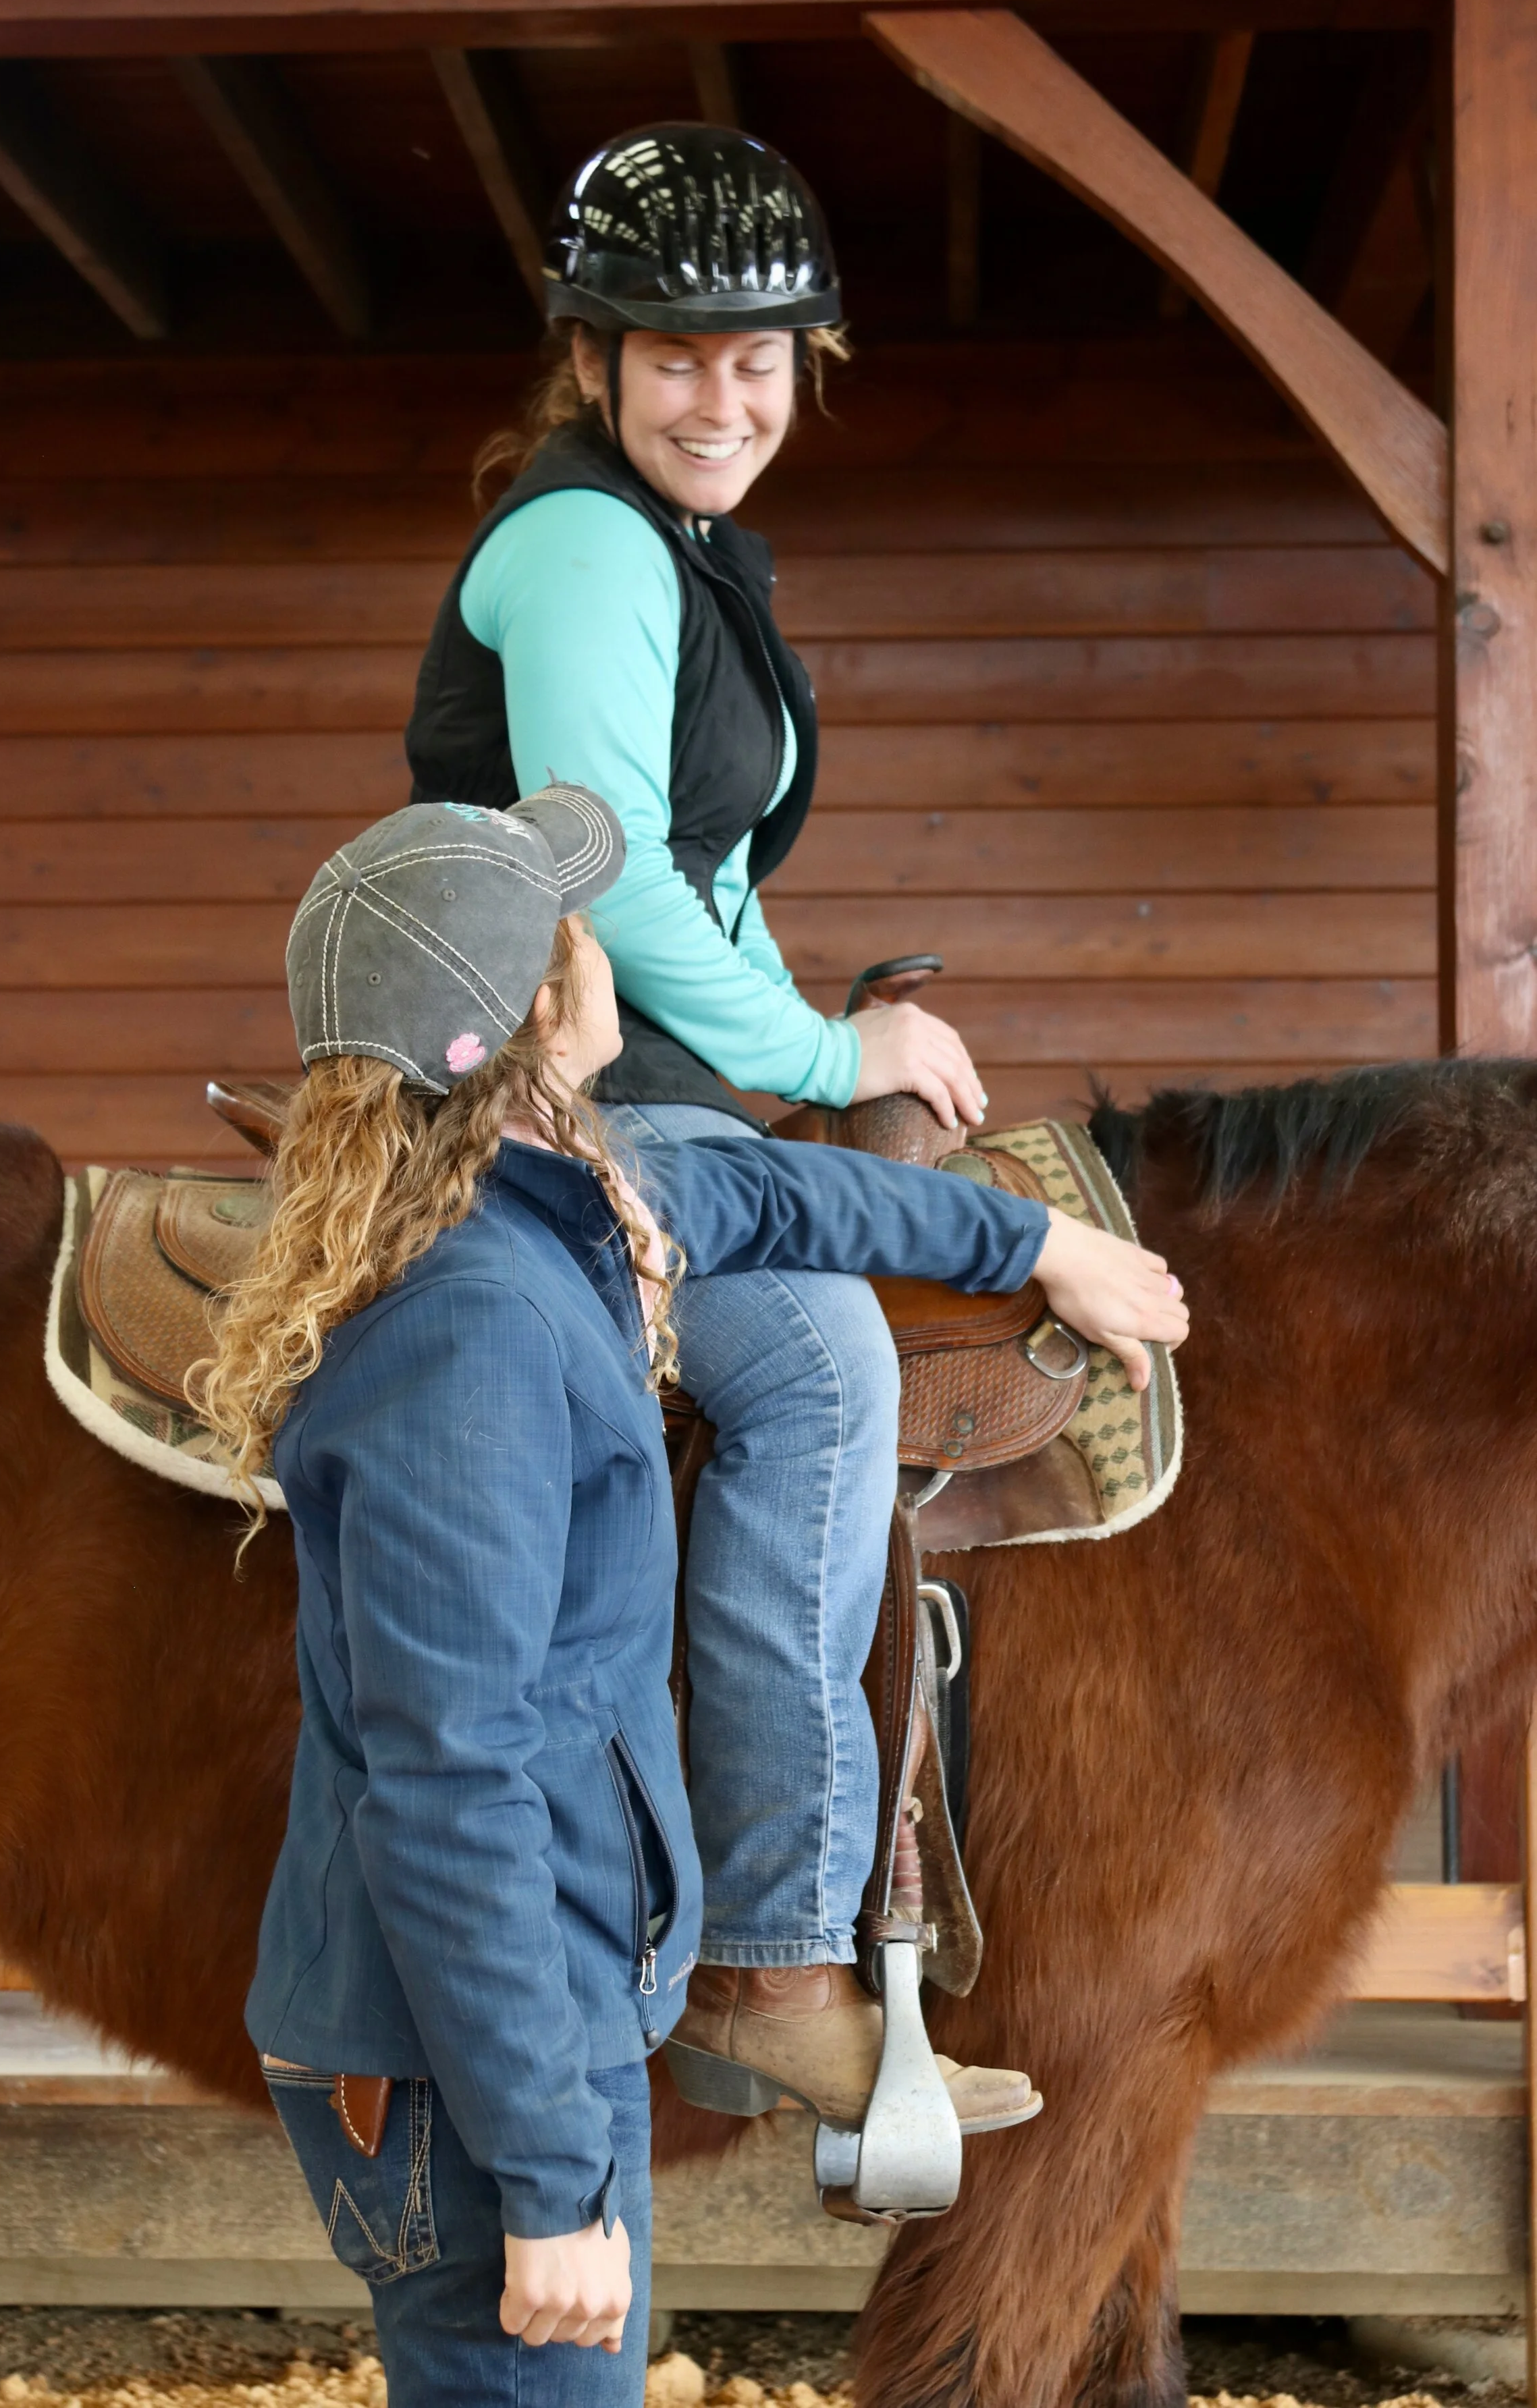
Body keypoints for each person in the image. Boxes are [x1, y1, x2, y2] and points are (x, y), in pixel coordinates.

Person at [198, 785, 1189, 2407]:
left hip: (529, 2044)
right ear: (542, 1012)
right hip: (475, 2089)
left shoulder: (556, 1206)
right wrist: (550, 2181)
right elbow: (453, 1786)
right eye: (570, 932)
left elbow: (792, 1201)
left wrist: (1028, 1245)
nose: (597, 949)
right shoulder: (470, 1336)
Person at [405, 122, 1097, 2118]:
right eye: (675, 356)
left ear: (807, 364)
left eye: (758, 358)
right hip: (546, 1089)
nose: (722, 397)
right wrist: (816, 1054)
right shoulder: (579, 542)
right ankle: (775, 1962)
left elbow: (698, 873)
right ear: (595, 360)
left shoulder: (687, 550)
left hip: (663, 1077)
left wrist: (839, 1021)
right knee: (813, 1362)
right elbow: (609, 883)